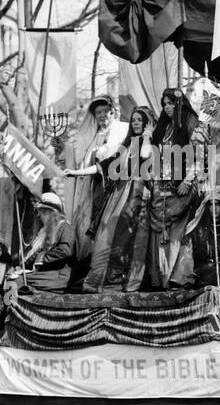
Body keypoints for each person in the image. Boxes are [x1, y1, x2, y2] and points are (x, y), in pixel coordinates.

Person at [74, 105, 155, 292]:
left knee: (135, 242)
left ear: (147, 123)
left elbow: (144, 156)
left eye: (139, 120)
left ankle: (129, 285)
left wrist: (147, 135)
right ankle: (97, 282)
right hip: (118, 196)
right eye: (133, 120)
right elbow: (104, 166)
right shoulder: (125, 145)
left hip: (140, 197)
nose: (135, 123)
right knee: (105, 237)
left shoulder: (151, 143)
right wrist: (77, 172)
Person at [66, 96, 129, 282]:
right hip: (98, 186)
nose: (102, 116)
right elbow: (85, 160)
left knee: (117, 225)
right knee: (98, 227)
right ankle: (99, 269)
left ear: (113, 111)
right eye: (98, 113)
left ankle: (119, 269)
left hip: (120, 183)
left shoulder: (123, 129)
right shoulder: (95, 136)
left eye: (105, 111)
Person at [145, 87, 202, 289]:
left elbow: (200, 154)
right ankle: (161, 279)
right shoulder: (163, 128)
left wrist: (188, 180)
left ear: (180, 104)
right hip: (162, 185)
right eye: (165, 104)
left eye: (171, 103)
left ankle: (180, 277)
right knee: (160, 231)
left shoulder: (190, 123)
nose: (167, 107)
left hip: (182, 186)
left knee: (179, 232)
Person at [16, 193, 75, 292]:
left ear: (53, 213)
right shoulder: (46, 231)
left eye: (42, 212)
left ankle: (13, 306)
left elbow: (65, 251)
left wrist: (42, 257)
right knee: (14, 276)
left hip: (60, 276)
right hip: (48, 273)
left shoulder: (65, 228)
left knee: (16, 281)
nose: (39, 216)